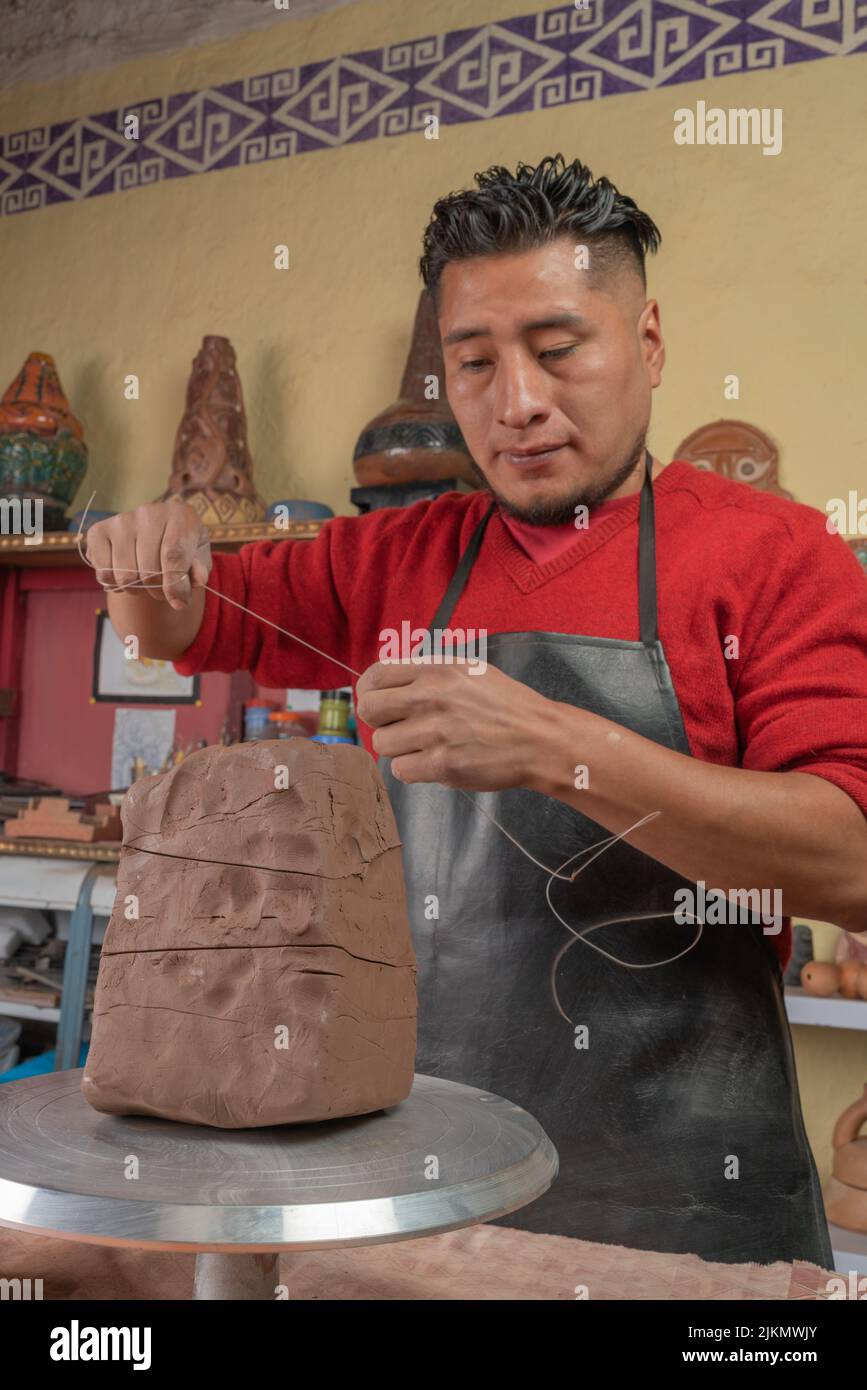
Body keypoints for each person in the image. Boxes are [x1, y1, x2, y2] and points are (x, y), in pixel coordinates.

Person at [90, 155, 867, 1266]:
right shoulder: (398, 556)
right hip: (420, 1180)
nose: (518, 404)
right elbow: (170, 629)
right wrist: (137, 559)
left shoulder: (772, 553)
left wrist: (559, 749)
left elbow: (854, 862)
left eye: (559, 352)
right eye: (473, 362)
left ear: (647, 341)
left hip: (684, 1204)